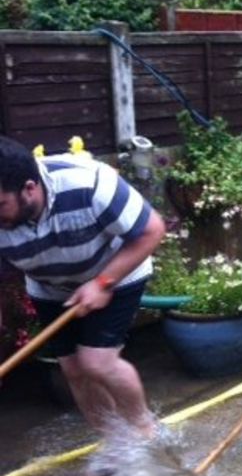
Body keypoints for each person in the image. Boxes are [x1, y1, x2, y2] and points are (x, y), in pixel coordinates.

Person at [0, 135, 165, 438]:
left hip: (117, 271)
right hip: (49, 286)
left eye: (1, 205)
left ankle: (145, 433)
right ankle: (115, 444)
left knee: (97, 362)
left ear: (29, 189)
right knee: (74, 369)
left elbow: (151, 230)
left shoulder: (89, 184)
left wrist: (102, 283)